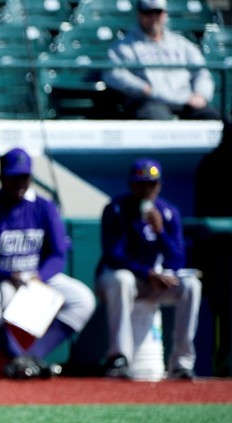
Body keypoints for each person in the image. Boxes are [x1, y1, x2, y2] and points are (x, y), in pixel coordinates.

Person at [0, 148, 96, 379]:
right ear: (1, 177)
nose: (19, 183)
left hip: (34, 278)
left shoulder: (43, 206)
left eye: (24, 177)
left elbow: (58, 254)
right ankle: (16, 355)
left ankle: (30, 358)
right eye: (13, 177)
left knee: (82, 298)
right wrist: (7, 275)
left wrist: (39, 277)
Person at [95, 157, 202, 379]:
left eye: (151, 184)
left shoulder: (168, 212)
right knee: (122, 279)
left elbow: (177, 259)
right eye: (140, 184)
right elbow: (113, 255)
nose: (146, 190)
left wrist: (160, 231)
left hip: (154, 281)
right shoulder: (116, 209)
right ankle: (119, 358)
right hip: (122, 281)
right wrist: (147, 273)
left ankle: (182, 362)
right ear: (131, 185)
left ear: (159, 186)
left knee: (191, 285)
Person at [103, 0, 222, 121]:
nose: (153, 17)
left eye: (157, 12)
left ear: (164, 14)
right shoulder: (125, 45)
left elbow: (202, 72)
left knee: (214, 117)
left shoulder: (181, 44)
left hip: (186, 100)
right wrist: (142, 88)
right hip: (150, 101)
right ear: (139, 14)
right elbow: (112, 73)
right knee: (156, 117)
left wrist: (200, 94)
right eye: (148, 12)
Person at [193, 116, 232, 376]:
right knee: (224, 311)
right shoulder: (213, 164)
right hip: (221, 253)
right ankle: (224, 367)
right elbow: (204, 212)